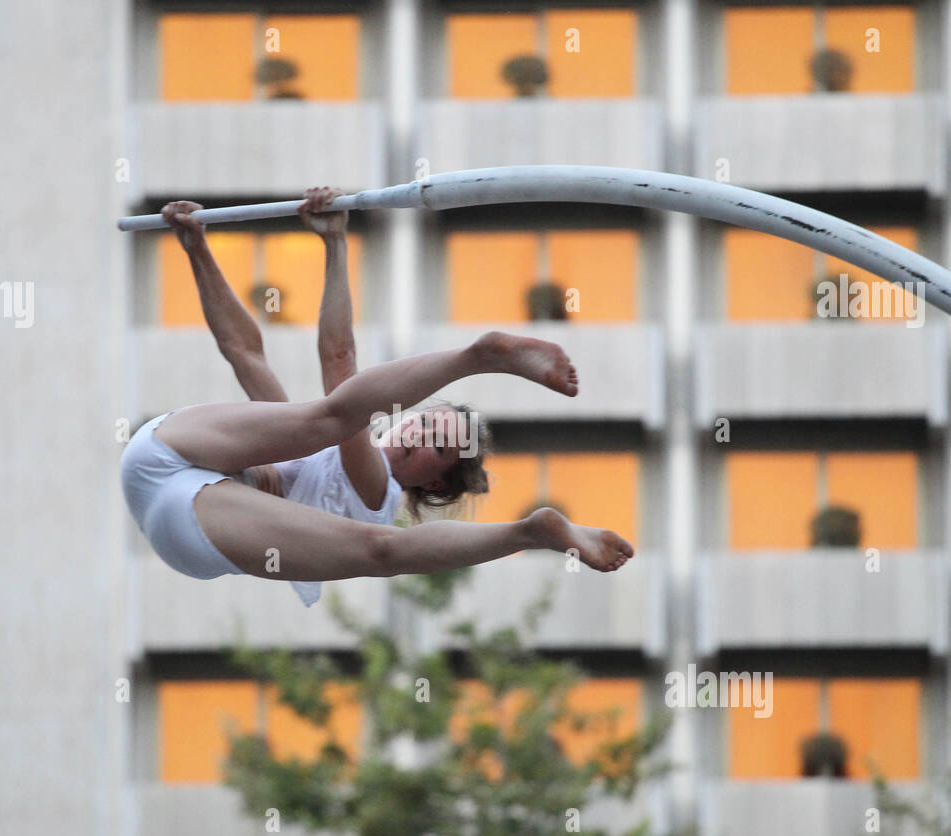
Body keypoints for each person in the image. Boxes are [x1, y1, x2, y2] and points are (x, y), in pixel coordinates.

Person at [120, 187, 633, 606]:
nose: (420, 433)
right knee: (320, 422)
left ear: (434, 481)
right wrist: (199, 249)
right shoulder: (307, 438)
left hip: (185, 514)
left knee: (380, 536)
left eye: (439, 443)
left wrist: (336, 245)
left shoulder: (375, 498)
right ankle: (482, 362)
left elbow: (338, 367)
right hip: (161, 457)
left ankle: (529, 528)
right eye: (425, 424)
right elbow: (244, 351)